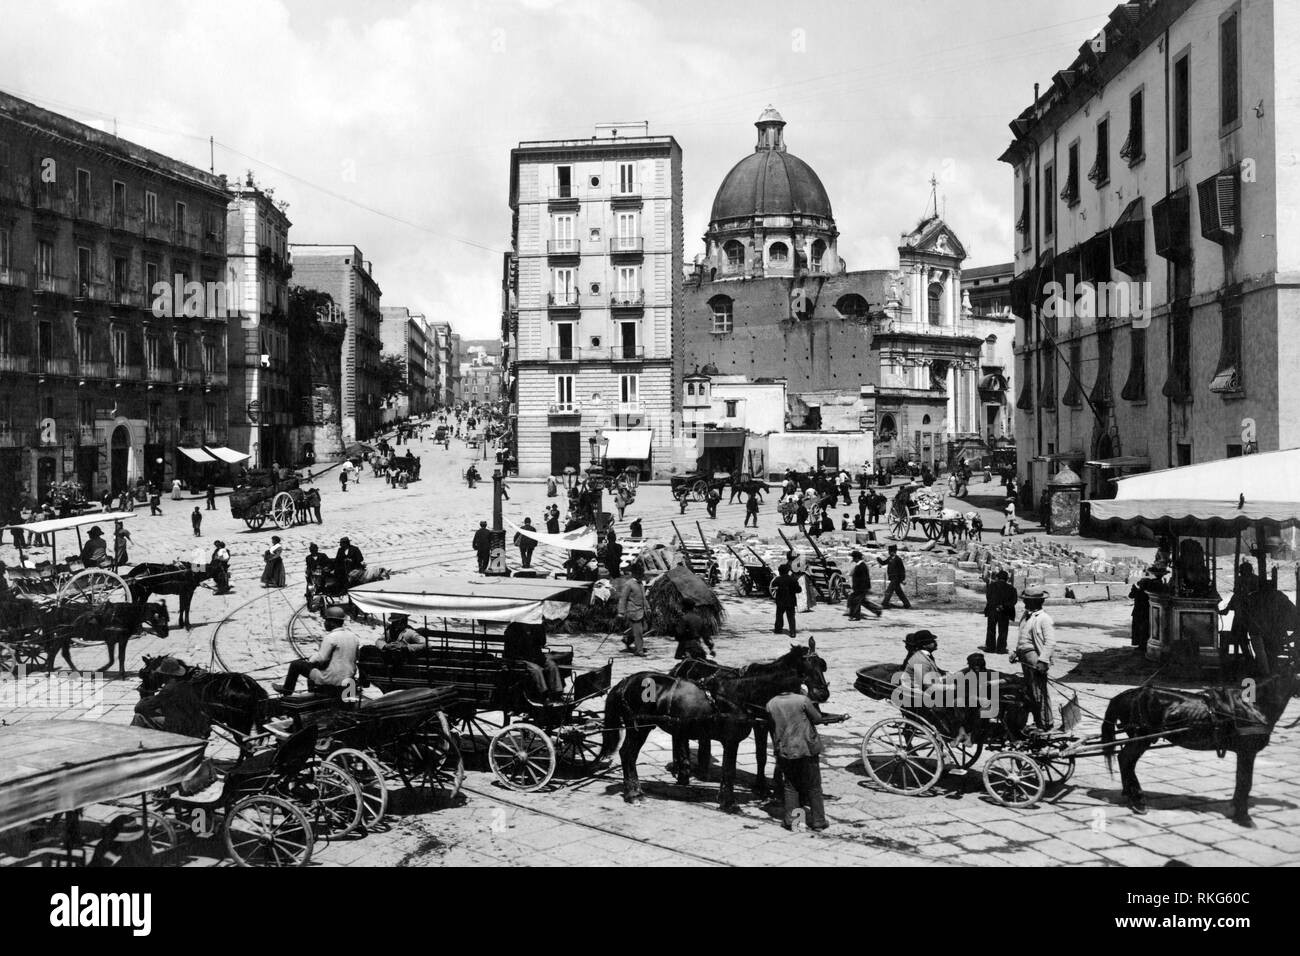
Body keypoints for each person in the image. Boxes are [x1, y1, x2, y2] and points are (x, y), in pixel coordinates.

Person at [766, 684, 834, 831]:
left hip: (786, 750)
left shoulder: (771, 703)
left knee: (791, 786)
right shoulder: (802, 700)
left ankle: (794, 822)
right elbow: (817, 718)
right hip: (807, 749)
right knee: (814, 786)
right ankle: (818, 821)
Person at [273, 624, 360, 696]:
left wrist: (310, 660)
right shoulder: (353, 637)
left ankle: (287, 690)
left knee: (296, 665)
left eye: (326, 620)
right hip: (348, 676)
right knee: (314, 668)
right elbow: (355, 656)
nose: (325, 623)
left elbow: (321, 658)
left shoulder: (331, 637)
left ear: (332, 622)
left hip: (330, 679)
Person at [131, 659, 210, 738]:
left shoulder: (170, 688)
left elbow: (140, 707)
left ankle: (131, 743)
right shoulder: (185, 683)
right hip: (196, 724)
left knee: (139, 717)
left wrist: (144, 696)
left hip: (183, 727)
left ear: (165, 675)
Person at [1014, 587, 1056, 730]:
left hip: (1035, 658)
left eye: (1027, 600)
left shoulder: (1044, 619)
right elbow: (1023, 637)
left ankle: (1045, 723)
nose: (1024, 602)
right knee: (1031, 691)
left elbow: (1050, 642)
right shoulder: (1026, 615)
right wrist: (1016, 652)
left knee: (1039, 691)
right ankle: (1039, 720)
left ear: (1037, 602)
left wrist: (1043, 661)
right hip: (1024, 657)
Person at [503, 621, 564, 698]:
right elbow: (512, 648)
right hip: (519, 658)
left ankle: (557, 693)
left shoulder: (537, 626)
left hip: (536, 657)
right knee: (536, 670)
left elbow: (542, 642)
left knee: (552, 665)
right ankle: (543, 694)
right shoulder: (513, 628)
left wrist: (539, 629)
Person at [1219, 562, 1257, 668]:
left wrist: (1227, 609)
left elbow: (1239, 595)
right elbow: (1237, 595)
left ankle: (1249, 659)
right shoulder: (1245, 581)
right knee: (1240, 636)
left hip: (1247, 615)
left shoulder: (1250, 581)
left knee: (1241, 636)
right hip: (1243, 615)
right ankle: (1249, 658)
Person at [982, 569, 1018, 653]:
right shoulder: (1012, 588)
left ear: (997, 578)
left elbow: (989, 598)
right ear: (1007, 579)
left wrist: (996, 606)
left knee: (991, 629)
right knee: (1003, 630)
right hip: (1005, 612)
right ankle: (1001, 649)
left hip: (992, 610)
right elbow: (1013, 601)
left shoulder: (991, 586)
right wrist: (1003, 606)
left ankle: (990, 648)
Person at [617, 562, 647, 656]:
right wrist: (621, 612)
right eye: (640, 574)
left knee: (645, 628)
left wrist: (648, 607)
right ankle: (639, 650)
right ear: (635, 573)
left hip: (642, 610)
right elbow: (623, 598)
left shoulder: (640, 584)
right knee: (638, 632)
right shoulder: (629, 584)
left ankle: (627, 638)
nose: (642, 576)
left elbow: (644, 597)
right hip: (633, 611)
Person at [846, 550, 882, 620]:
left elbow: (864, 579)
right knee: (863, 601)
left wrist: (861, 588)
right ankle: (877, 610)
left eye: (853, 558)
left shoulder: (862, 566)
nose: (853, 559)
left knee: (855, 600)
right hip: (860, 587)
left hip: (861, 588)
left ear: (857, 558)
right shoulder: (859, 565)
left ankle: (855, 616)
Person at [772, 563, 801, 638]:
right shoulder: (793, 579)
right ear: (788, 571)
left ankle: (778, 629)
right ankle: (792, 632)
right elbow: (799, 590)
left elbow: (773, 585)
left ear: (780, 571)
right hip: (790, 601)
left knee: (779, 615)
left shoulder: (778, 579)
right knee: (791, 618)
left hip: (780, 601)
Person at [878, 544, 911, 609]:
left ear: (893, 552)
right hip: (892, 578)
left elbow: (902, 570)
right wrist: (878, 559)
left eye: (890, 551)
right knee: (899, 592)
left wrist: (902, 579)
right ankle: (907, 604)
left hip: (896, 579)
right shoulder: (890, 558)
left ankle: (885, 604)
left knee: (888, 591)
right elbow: (883, 563)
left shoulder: (898, 559)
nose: (889, 553)